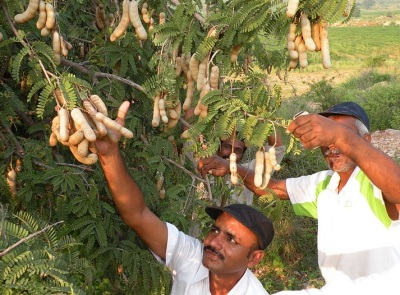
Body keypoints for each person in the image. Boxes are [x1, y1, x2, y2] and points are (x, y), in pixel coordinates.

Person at [198, 102, 400, 289]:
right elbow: (273, 188)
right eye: (327, 138)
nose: (332, 146)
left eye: (342, 135)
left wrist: (339, 136)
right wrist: (231, 168)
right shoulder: (325, 183)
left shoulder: (377, 181)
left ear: (366, 140)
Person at [95, 101, 275, 295]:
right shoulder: (192, 256)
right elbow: (136, 215)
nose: (213, 242)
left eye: (231, 240)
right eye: (215, 230)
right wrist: (109, 154)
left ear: (254, 258)